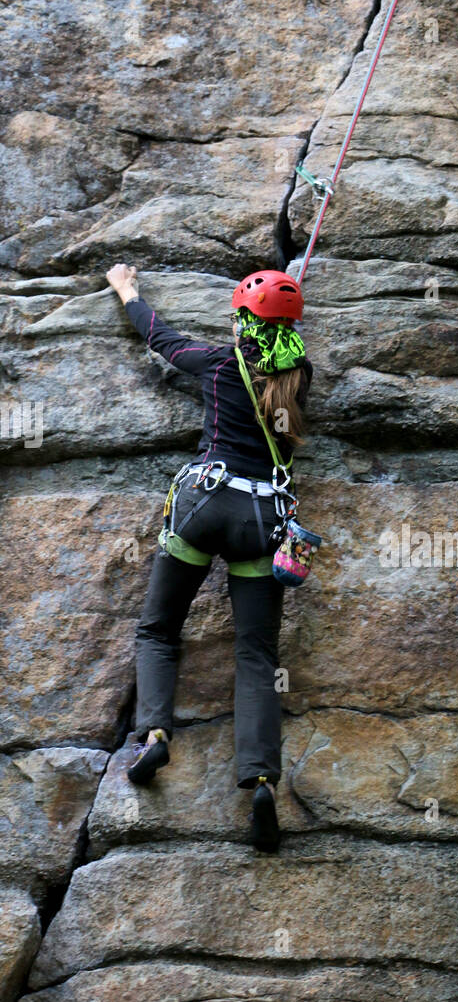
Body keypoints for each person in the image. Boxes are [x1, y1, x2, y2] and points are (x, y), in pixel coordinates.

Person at [105, 263, 312, 852]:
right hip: (261, 519)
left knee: (160, 627)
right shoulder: (301, 375)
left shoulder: (220, 363)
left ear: (242, 318)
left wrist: (128, 290)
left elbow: (161, 339)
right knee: (256, 655)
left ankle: (155, 737)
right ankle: (261, 781)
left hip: (205, 502)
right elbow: (281, 351)